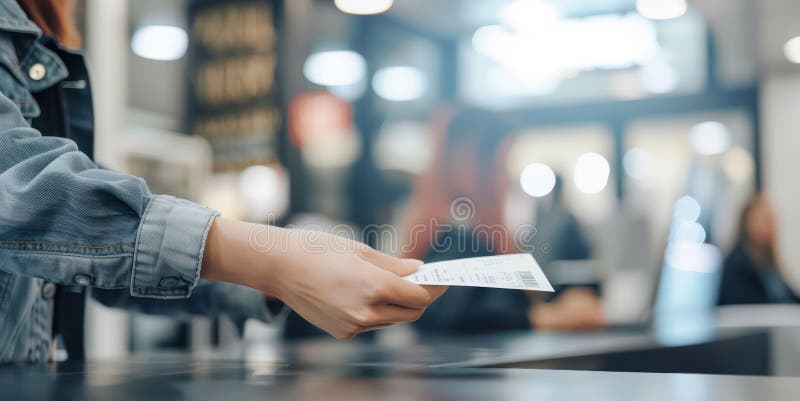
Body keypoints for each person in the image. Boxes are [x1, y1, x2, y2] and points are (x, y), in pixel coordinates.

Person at [0, 0, 446, 363]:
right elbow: (22, 191)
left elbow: (79, 247)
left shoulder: (34, 31)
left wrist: (281, 276)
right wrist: (276, 263)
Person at [400, 107, 606, 335]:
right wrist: (540, 318)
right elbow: (452, 315)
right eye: (502, 162)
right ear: (474, 164)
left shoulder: (482, 232)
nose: (505, 176)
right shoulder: (453, 232)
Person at [718, 193, 799, 305]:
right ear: (748, 222)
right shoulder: (738, 264)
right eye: (765, 220)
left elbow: (789, 295)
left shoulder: (768, 262)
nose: (771, 226)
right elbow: (750, 305)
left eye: (772, 220)